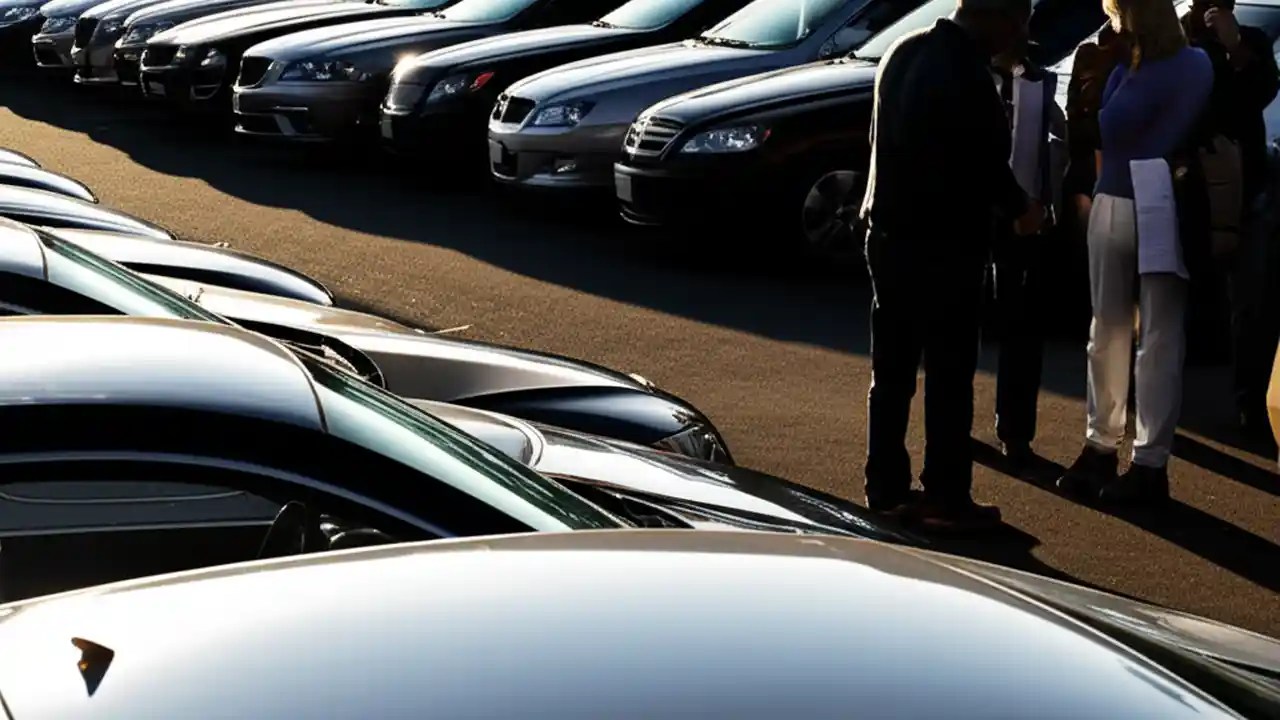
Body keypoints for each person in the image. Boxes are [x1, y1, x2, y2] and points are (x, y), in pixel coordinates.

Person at [859, 0, 1044, 532]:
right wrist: (1024, 212)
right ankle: (944, 494)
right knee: (948, 374)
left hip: (887, 233)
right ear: (991, 15)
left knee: (891, 372)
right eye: (1017, 19)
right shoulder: (967, 74)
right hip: (944, 243)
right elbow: (987, 164)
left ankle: (886, 487)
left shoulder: (902, 51)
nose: (1021, 33)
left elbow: (877, 140)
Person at [1057, 0, 1214, 505]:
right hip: (1150, 191)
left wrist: (1104, 79)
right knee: (1137, 331)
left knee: (1124, 330)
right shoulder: (1188, 64)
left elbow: (1113, 127)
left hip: (1139, 193)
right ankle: (1133, 455)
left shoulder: (1142, 67)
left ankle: (1123, 453)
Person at [1181, 0, 1280, 438]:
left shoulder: (1249, 42)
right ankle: (1167, 405)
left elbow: (1260, 89)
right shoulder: (1179, 36)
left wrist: (1234, 43)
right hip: (1192, 185)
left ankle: (1250, 405)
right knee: (1175, 294)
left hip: (1245, 185)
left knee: (1251, 299)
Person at [989, 36, 1068, 470]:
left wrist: (1044, 201)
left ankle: (1016, 431)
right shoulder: (970, 75)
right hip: (977, 215)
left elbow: (1058, 140)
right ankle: (950, 424)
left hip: (1028, 214)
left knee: (1023, 327)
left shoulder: (1037, 82)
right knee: (958, 327)